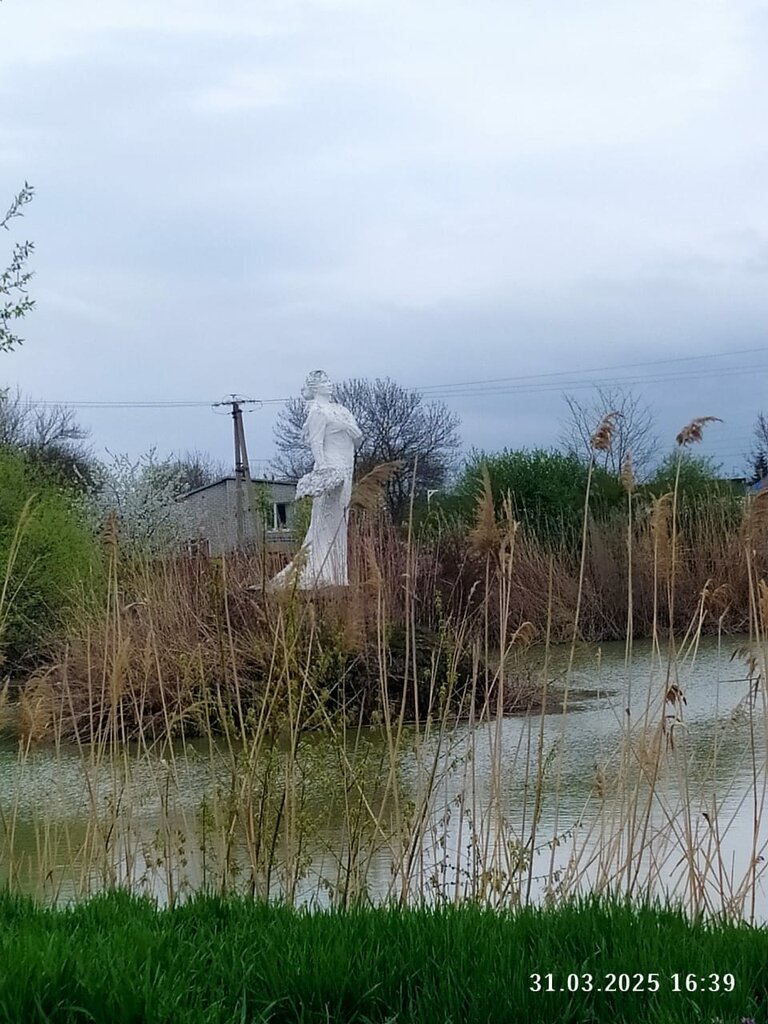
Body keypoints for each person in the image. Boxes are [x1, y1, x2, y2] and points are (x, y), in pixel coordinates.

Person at [271, 370, 363, 588]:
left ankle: (338, 574)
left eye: (330, 381)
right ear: (315, 388)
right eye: (324, 382)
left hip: (346, 464)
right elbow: (316, 442)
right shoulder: (318, 411)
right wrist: (323, 469)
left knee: (341, 521)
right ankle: (320, 570)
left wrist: (350, 428)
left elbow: (358, 439)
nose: (329, 385)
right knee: (324, 521)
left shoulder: (341, 410)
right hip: (330, 465)